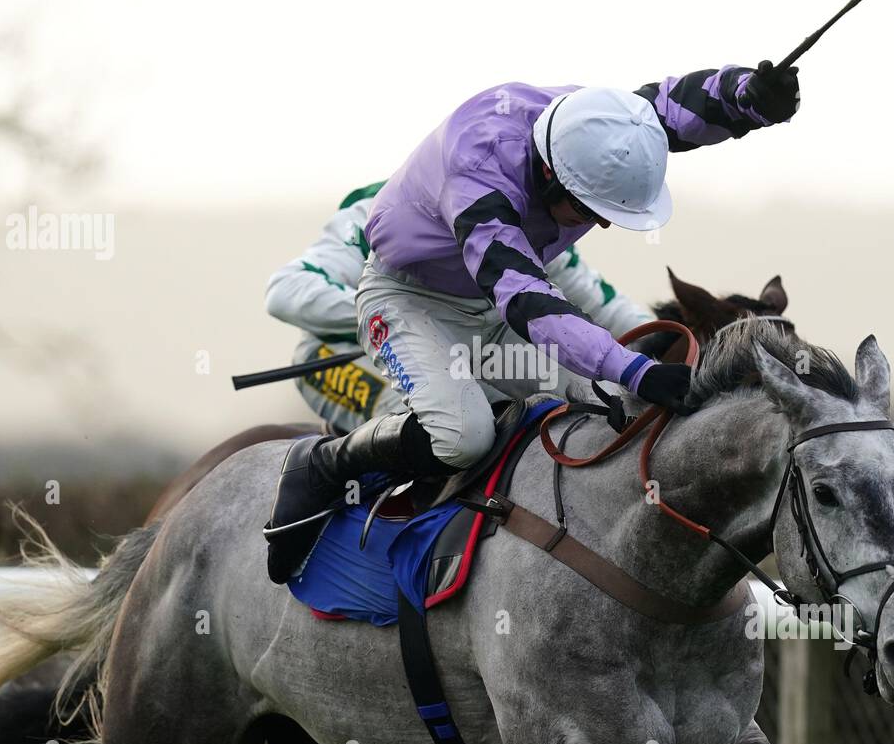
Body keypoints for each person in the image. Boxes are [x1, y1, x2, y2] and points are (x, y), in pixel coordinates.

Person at [266, 62, 800, 576]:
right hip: (408, 303)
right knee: (463, 438)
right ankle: (326, 464)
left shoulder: (589, 123)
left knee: (609, 405)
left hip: (487, 306)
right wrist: (636, 368)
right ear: (549, 174)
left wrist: (748, 98)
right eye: (588, 210)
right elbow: (529, 303)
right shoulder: (477, 177)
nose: (599, 227)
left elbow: (666, 107)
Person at [264, 181, 653, 435]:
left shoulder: (518, 221)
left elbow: (602, 306)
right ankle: (324, 478)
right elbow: (286, 290)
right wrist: (417, 320)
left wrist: (663, 342)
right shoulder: (375, 214)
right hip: (340, 353)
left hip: (464, 348)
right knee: (450, 421)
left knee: (579, 392)